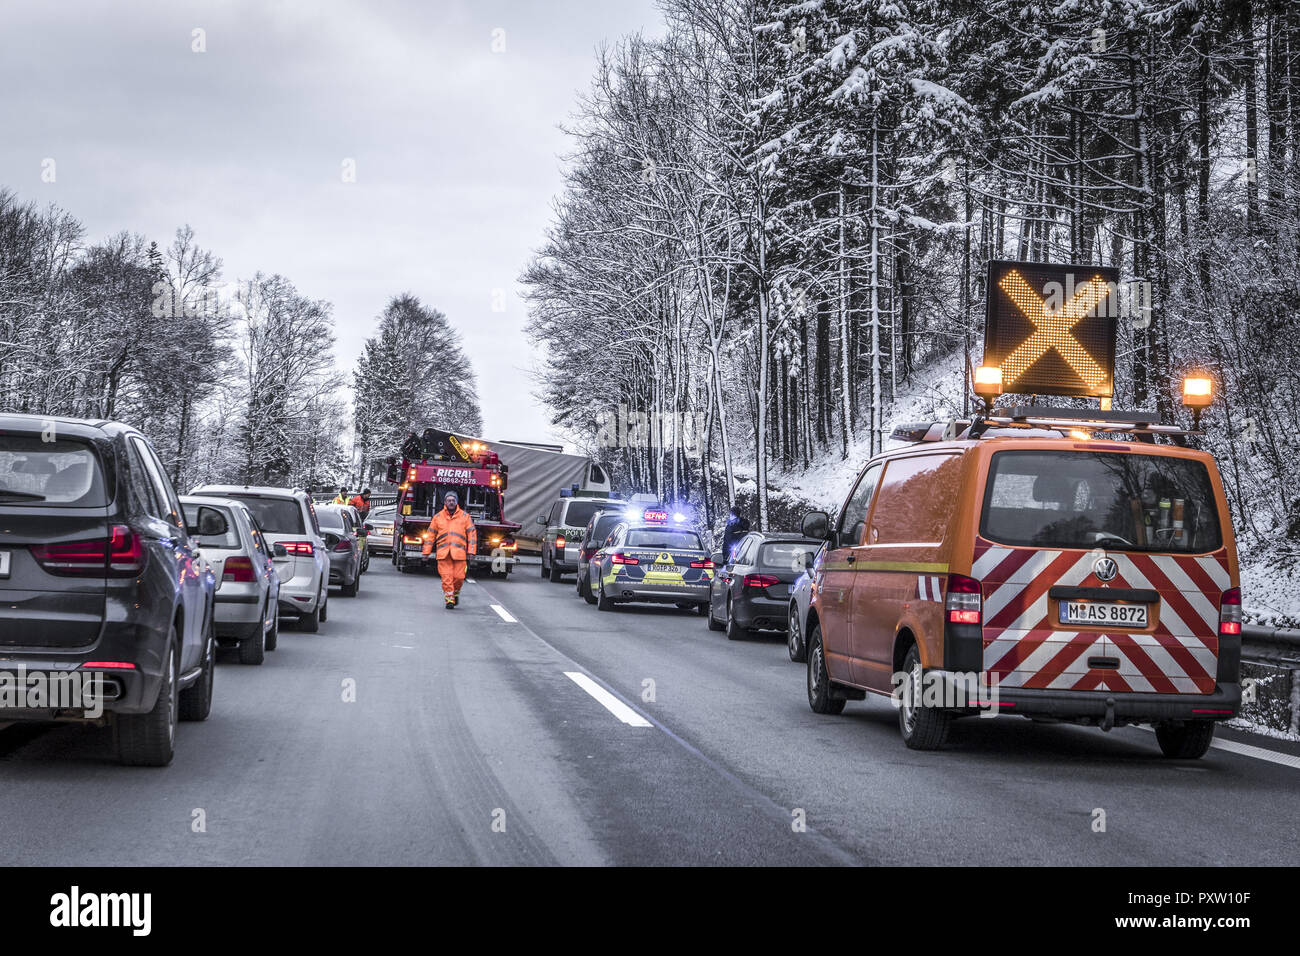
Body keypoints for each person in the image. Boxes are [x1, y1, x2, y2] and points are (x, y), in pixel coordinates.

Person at [427, 491, 477, 609]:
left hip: (459, 554)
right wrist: (426, 552)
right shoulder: (438, 517)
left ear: (456, 502)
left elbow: (472, 535)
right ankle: (449, 600)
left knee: (459, 578)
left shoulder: (465, 517)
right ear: (445, 502)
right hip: (443, 554)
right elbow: (430, 536)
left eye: (453, 500)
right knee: (447, 577)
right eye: (448, 500)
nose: (451, 502)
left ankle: (455, 594)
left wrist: (471, 551)